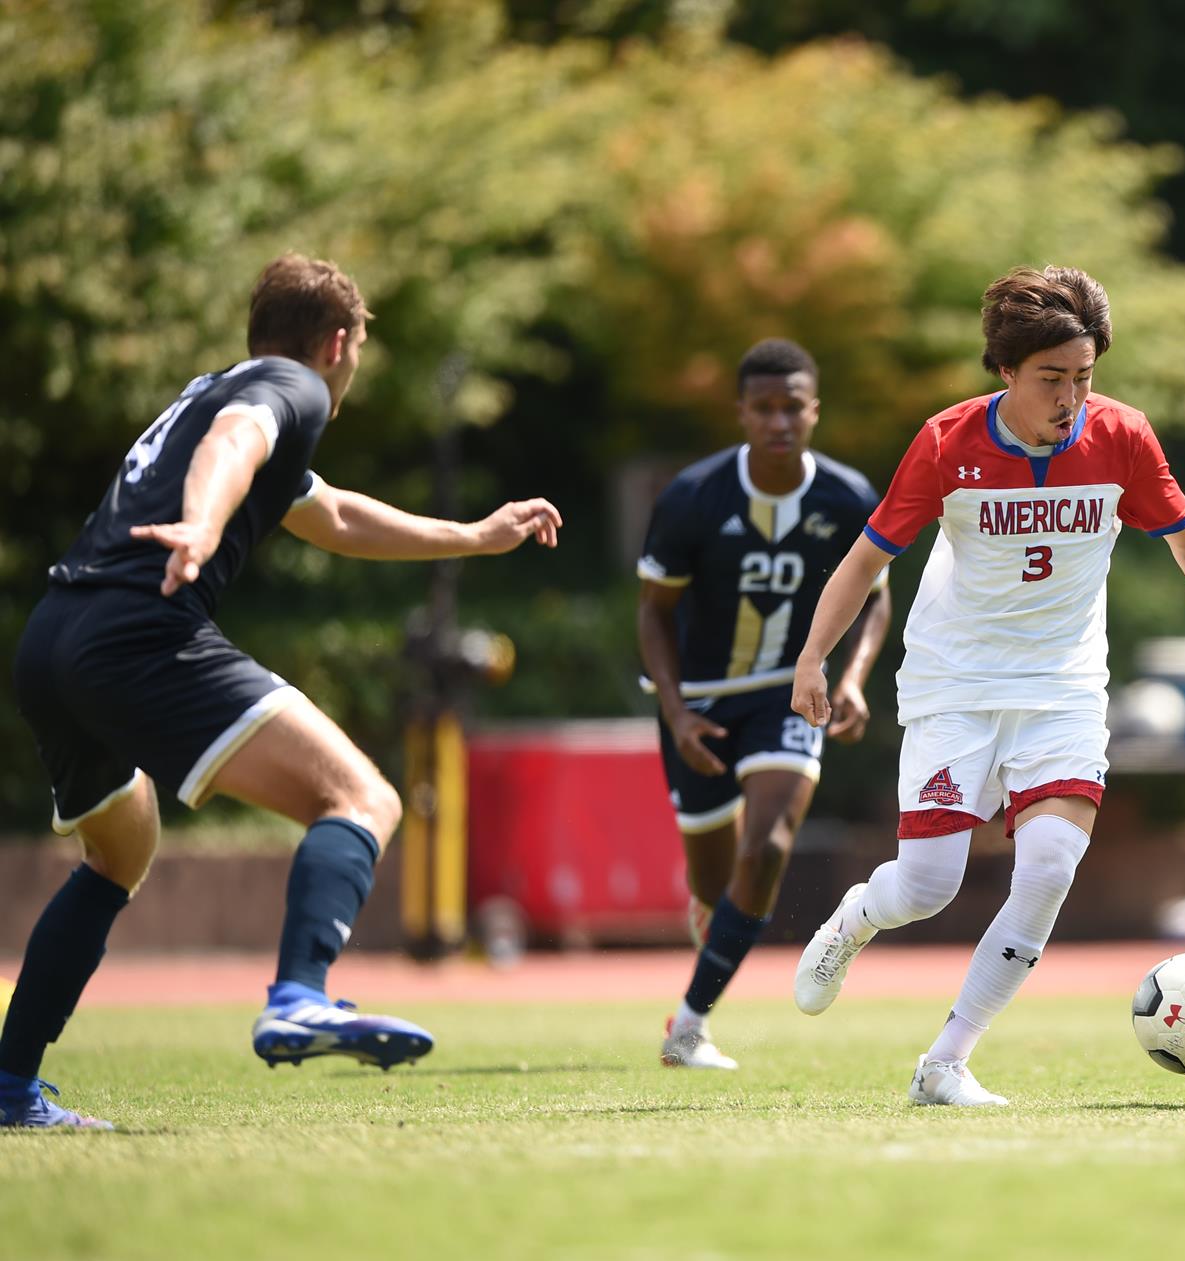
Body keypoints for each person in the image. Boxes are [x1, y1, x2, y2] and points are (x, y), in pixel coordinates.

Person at [2, 254, 563, 1129]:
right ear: (337, 343)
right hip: (137, 632)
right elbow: (237, 443)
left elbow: (331, 514)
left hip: (53, 637)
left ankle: (8, 1086)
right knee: (361, 798)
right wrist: (203, 521)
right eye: (358, 354)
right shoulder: (290, 387)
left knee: (121, 853)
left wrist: (475, 535)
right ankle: (300, 994)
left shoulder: (213, 385)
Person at [786, 265, 1185, 1107]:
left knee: (1049, 867)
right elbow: (864, 560)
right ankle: (854, 919)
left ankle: (945, 1062)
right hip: (954, 682)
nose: (1070, 397)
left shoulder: (1124, 439)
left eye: (1084, 377)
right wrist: (814, 657)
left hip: (1062, 687)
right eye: (1050, 379)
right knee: (925, 887)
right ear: (1005, 371)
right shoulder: (946, 443)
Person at [636, 338, 891, 1071]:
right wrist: (679, 713)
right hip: (701, 704)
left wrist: (850, 677)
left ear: (815, 411)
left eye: (794, 407)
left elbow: (876, 597)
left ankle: (688, 1025)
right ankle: (713, 916)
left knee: (769, 847)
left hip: (789, 689)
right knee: (717, 885)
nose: (780, 421)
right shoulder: (692, 497)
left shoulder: (845, 496)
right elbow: (653, 613)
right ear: (742, 413)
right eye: (764, 408)